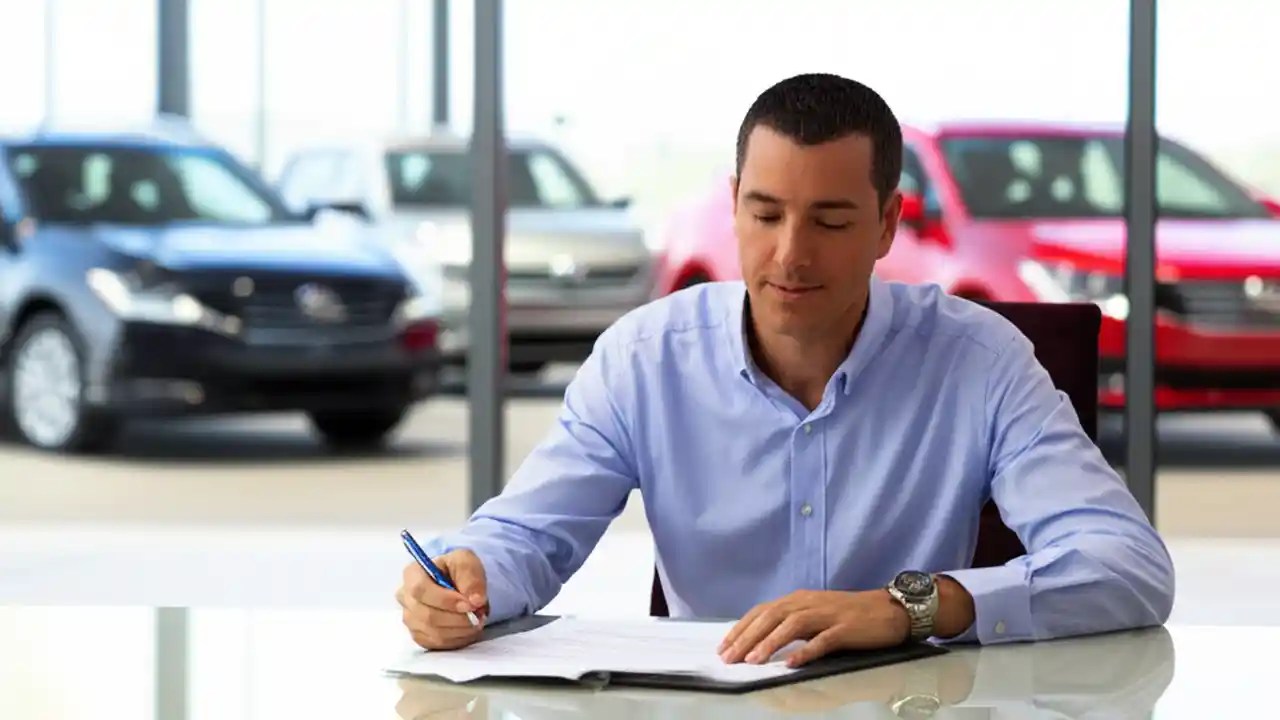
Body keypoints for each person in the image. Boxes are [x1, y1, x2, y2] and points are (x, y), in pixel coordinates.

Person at [395, 73, 1175, 667]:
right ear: (734, 206)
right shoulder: (642, 360)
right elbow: (525, 534)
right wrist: (470, 580)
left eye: (831, 222)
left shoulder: (980, 361)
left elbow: (1128, 566)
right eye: (765, 215)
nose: (790, 254)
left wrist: (914, 605)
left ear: (886, 225)